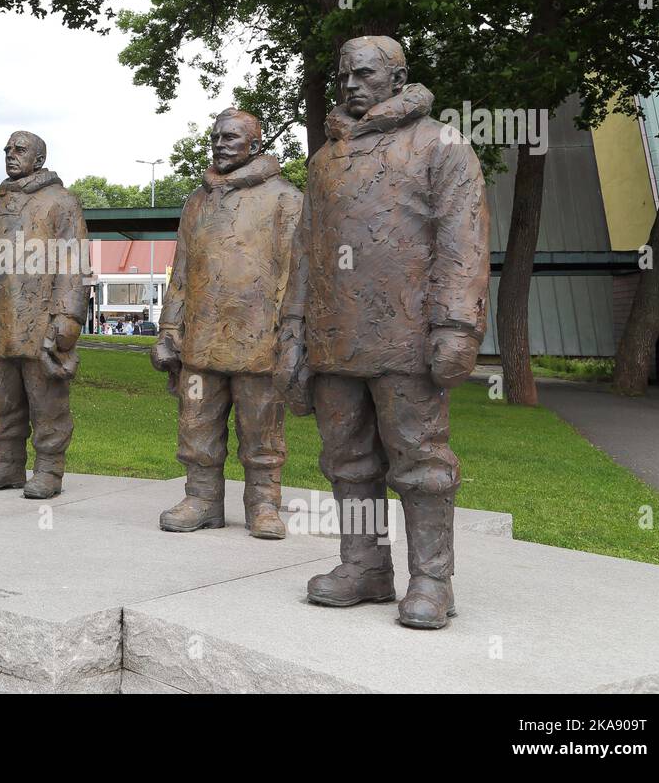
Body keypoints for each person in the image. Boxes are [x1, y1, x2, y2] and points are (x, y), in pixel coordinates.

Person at [275, 35, 489, 629]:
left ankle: (431, 578)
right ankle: (365, 565)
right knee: (347, 459)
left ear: (397, 77)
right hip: (333, 336)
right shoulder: (326, 159)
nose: (350, 85)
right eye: (344, 75)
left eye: (364, 74)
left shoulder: (440, 144)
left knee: (420, 460)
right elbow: (305, 252)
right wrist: (293, 330)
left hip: (407, 335)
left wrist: (456, 324)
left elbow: (463, 240)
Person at [152, 109, 303, 538]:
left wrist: (292, 337)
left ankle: (263, 504)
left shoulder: (286, 199)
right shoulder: (197, 202)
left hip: (261, 342)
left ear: (255, 146)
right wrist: (169, 330)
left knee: (262, 429)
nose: (220, 143)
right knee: (196, 422)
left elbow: (298, 277)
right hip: (200, 345)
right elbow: (180, 272)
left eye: (232, 137)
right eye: (216, 136)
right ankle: (201, 498)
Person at [0, 130, 91, 499]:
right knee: (1, 397)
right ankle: (7, 463)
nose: (10, 154)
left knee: (47, 399)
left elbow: (75, 262)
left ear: (38, 159)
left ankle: (49, 468)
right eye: (7, 149)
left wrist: (67, 317)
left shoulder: (61, 202)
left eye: (19, 149)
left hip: (41, 321)